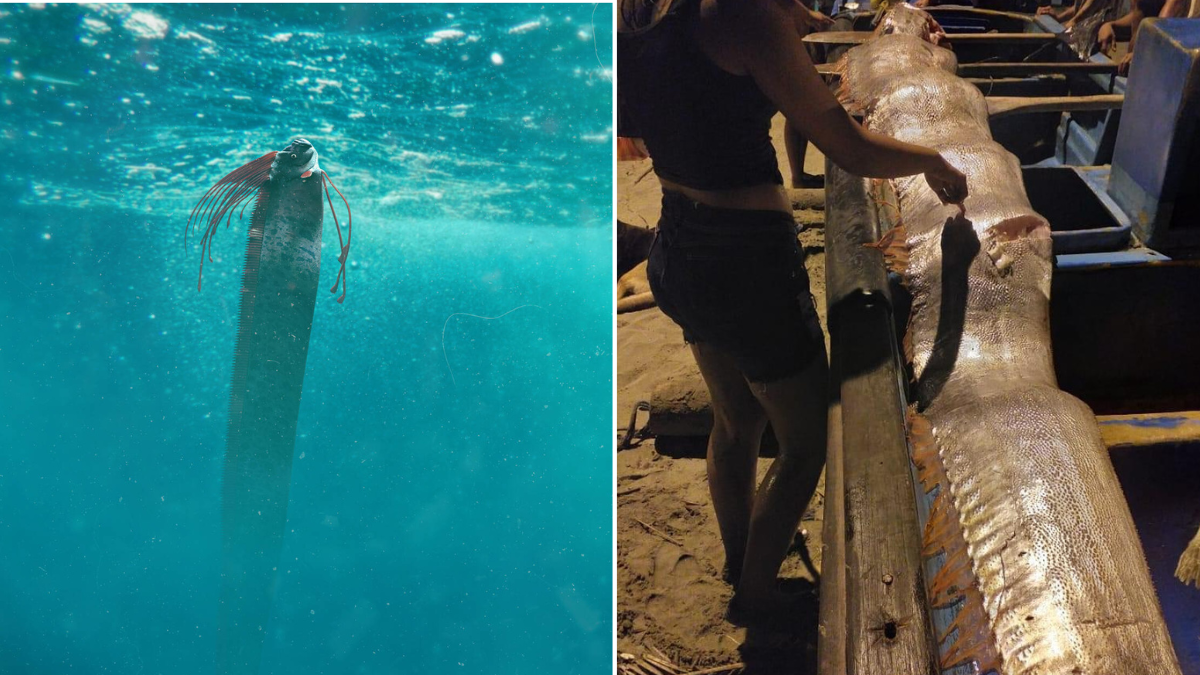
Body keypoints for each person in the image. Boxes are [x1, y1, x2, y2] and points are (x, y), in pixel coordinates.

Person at [617, 0, 968, 623]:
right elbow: (848, 147)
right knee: (806, 442)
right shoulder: (744, 16)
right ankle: (757, 599)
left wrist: (792, 21)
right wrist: (931, 160)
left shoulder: (650, 18)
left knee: (737, 421)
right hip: (745, 266)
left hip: (680, 246)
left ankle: (740, 560)